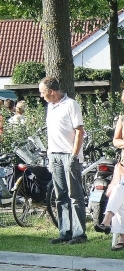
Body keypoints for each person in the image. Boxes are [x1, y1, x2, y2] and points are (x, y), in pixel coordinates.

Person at [39, 77, 88, 245]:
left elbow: (79, 131)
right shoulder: (50, 106)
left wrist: (74, 156)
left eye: (42, 92)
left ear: (51, 91)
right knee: (60, 195)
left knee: (75, 195)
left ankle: (79, 233)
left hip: (69, 154)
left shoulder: (71, 105)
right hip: (54, 155)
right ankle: (65, 231)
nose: (41, 95)